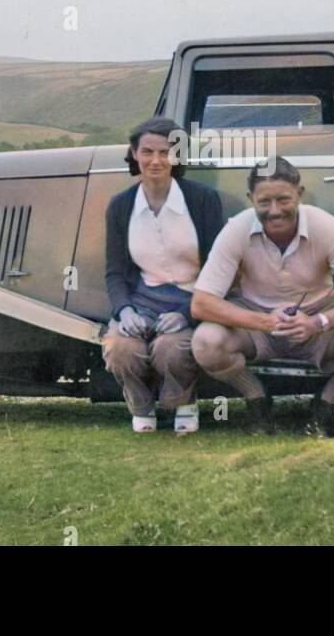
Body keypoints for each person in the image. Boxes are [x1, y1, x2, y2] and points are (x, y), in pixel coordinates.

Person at [190, 156, 334, 437]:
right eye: (264, 202)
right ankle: (257, 399)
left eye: (284, 200)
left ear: (300, 193)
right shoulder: (237, 228)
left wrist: (318, 322)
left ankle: (327, 402)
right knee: (205, 342)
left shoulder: (326, 226)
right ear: (250, 198)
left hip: (319, 322)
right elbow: (201, 303)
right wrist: (263, 322)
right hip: (256, 325)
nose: (274, 211)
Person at [103, 117, 224, 434]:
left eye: (165, 152)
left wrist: (188, 313)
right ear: (134, 153)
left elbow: (218, 268)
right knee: (119, 348)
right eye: (147, 151)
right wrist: (125, 310)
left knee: (171, 349)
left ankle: (182, 402)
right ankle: (141, 408)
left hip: (192, 298)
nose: (156, 161)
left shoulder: (202, 200)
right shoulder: (120, 206)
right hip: (143, 299)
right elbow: (115, 272)